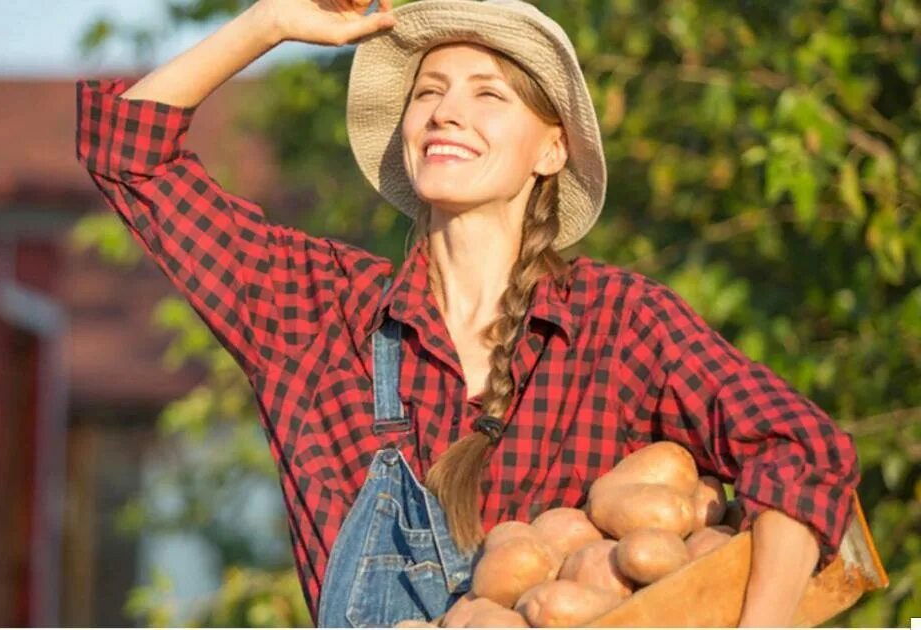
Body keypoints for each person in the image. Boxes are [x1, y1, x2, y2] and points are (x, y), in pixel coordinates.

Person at [74, 0, 860, 626]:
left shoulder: (619, 324)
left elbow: (802, 450)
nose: (446, 113)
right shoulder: (317, 312)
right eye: (428, 93)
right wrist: (270, 21)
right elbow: (127, 151)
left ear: (551, 149)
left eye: (488, 94)